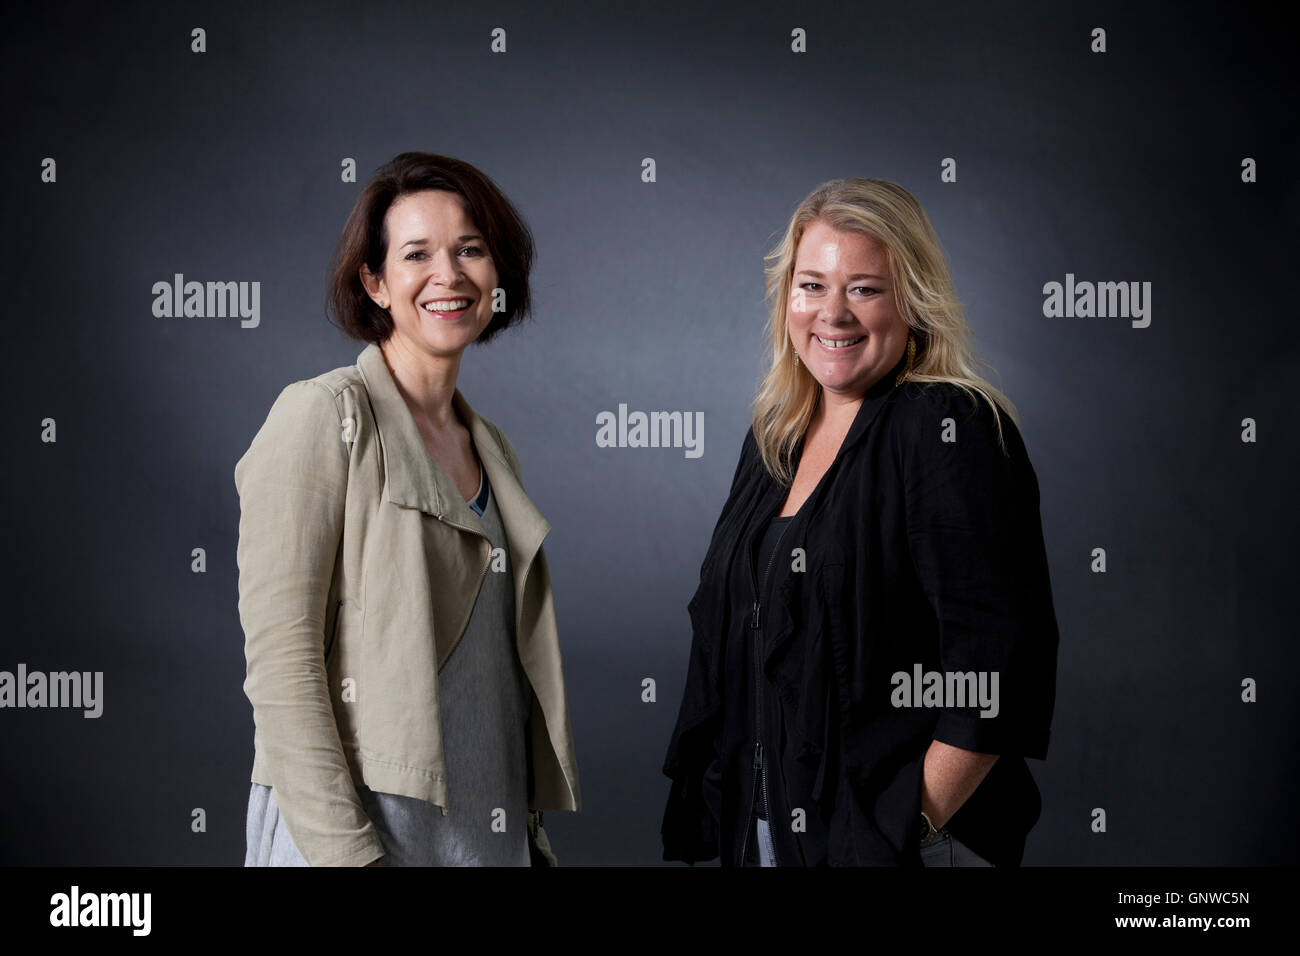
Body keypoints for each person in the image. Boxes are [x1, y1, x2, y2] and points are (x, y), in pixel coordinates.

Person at [660, 177, 1059, 867]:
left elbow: (996, 668)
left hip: (901, 848)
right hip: (773, 833)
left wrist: (907, 826)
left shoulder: (946, 427)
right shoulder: (775, 439)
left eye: (865, 288)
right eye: (812, 285)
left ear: (913, 301)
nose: (833, 314)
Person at [236, 152, 580, 866]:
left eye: (471, 250)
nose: (448, 275)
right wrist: (352, 859)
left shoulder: (492, 449)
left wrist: (529, 838)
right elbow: (282, 666)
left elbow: (497, 677)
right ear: (375, 282)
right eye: (417, 253)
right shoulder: (321, 418)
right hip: (358, 840)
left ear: (498, 276)